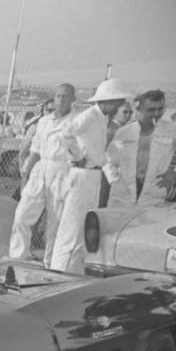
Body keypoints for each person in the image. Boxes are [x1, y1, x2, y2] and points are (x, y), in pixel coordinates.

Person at [49, 78, 130, 274]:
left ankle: (71, 274)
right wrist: (78, 155)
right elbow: (65, 133)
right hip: (83, 176)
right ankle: (59, 275)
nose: (119, 106)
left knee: (79, 232)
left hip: (92, 176)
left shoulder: (101, 119)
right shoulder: (90, 116)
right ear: (109, 101)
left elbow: (98, 152)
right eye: (118, 103)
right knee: (71, 231)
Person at [8, 84, 75, 263]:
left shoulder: (75, 122)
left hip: (62, 171)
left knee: (55, 223)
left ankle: (51, 263)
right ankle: (17, 258)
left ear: (72, 99)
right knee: (22, 215)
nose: (60, 100)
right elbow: (35, 150)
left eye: (65, 96)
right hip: (40, 170)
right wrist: (26, 173)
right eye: (58, 96)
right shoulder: (44, 122)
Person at [105, 89, 176, 208]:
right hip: (122, 195)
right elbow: (109, 159)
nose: (157, 113)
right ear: (139, 110)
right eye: (151, 109)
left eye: (161, 109)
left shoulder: (174, 130)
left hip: (154, 194)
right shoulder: (124, 132)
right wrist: (114, 179)